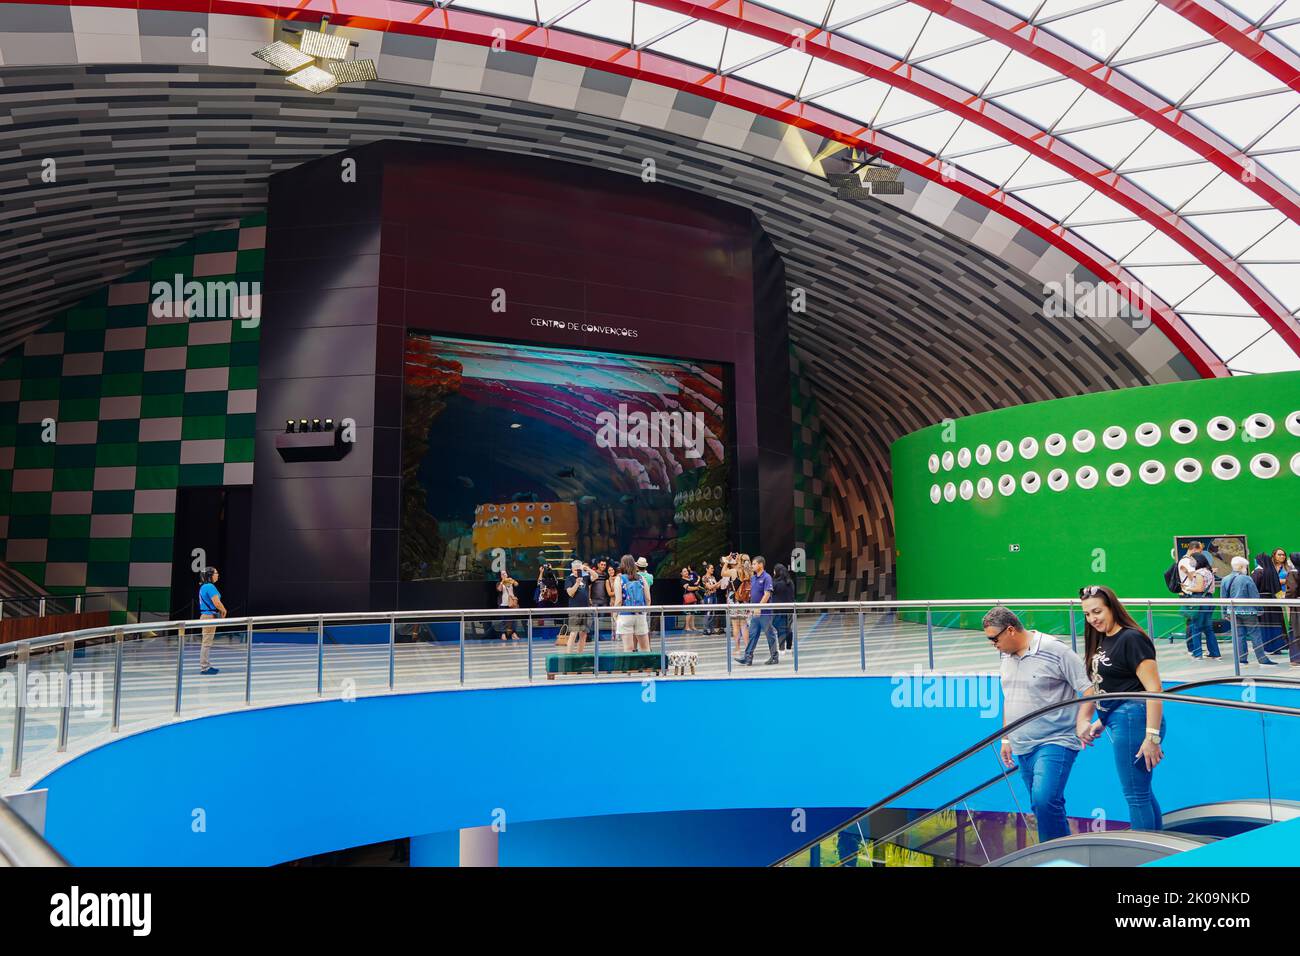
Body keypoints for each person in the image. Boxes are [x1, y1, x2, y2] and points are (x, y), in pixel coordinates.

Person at [983, 606, 1091, 843]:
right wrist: (1006, 737)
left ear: (1010, 630)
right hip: (1022, 744)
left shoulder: (1055, 650)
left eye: (994, 638)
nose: (993, 644)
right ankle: (1060, 853)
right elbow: (1010, 698)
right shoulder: (1005, 656)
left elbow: (1088, 688)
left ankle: (1055, 857)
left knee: (1044, 799)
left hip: (1056, 739)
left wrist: (1083, 722)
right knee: (1042, 804)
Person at [1076, 585, 1166, 831]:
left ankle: (1147, 853)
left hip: (1135, 720)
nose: (1093, 619)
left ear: (1112, 608)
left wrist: (1152, 736)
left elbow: (1153, 689)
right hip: (1121, 719)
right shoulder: (1104, 638)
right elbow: (1114, 685)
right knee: (1142, 792)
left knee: (1136, 795)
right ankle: (1155, 848)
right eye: (1087, 614)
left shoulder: (1131, 638)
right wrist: (1101, 721)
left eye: (1097, 611)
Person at [1221, 556, 1277, 666]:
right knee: (1255, 635)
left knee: (1239, 636)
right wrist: (1259, 610)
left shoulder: (1225, 579)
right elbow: (1254, 596)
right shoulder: (1247, 578)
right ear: (1241, 566)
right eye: (1246, 566)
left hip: (1232, 611)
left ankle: (1242, 659)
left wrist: (1224, 612)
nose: (1246, 568)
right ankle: (1262, 659)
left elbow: (1223, 598)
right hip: (1248, 611)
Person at [1178, 542, 1219, 659]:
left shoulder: (1200, 573)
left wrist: (1187, 587)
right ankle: (1215, 653)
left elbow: (1199, 588)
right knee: (1208, 628)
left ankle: (1197, 653)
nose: (1191, 562)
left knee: (1196, 628)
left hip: (1200, 600)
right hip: (1209, 600)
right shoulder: (1209, 572)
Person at [736, 555, 777, 666]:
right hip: (755, 612)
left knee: (769, 634)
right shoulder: (753, 578)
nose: (752, 566)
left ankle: (774, 656)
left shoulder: (767, 577)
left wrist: (759, 607)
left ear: (760, 565)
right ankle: (748, 657)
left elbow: (767, 594)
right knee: (753, 634)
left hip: (765, 613)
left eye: (754, 564)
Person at [1254, 549, 1290, 655]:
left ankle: (1268, 647)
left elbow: (1254, 588)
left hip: (1262, 603)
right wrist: (1280, 600)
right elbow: (1277, 588)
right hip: (1274, 602)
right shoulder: (1272, 571)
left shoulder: (1258, 572)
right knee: (1277, 623)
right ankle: (1278, 645)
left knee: (1265, 625)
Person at [613, 554, 652, 652]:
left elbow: (618, 600)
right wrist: (645, 611)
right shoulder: (641, 578)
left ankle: (631, 667)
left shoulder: (619, 579)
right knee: (645, 648)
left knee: (628, 649)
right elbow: (648, 598)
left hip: (625, 615)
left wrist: (615, 614)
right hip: (640, 614)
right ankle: (646, 667)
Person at [197, 566, 226, 675]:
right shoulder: (210, 586)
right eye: (216, 573)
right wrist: (224, 610)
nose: (217, 575)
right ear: (210, 575)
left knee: (207, 642)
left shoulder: (204, 586)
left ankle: (206, 665)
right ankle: (204, 667)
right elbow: (216, 602)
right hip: (209, 617)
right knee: (206, 642)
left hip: (207, 616)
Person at [563, 560, 593, 654]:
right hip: (575, 609)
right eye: (575, 570)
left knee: (583, 634)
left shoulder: (585, 577)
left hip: (586, 609)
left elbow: (595, 576)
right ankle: (568, 655)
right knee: (573, 633)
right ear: (572, 569)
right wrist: (576, 583)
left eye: (579, 570)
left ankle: (580, 654)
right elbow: (570, 593)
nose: (577, 572)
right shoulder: (569, 579)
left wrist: (588, 569)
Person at [770, 563, 796, 652]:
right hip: (790, 609)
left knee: (780, 628)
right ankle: (789, 647)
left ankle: (782, 649)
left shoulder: (776, 584)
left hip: (778, 609)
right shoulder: (790, 582)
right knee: (788, 628)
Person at [588, 558, 610, 640]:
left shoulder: (606, 575)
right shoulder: (594, 574)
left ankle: (598, 635)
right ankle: (590, 635)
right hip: (594, 600)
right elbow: (589, 587)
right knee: (593, 619)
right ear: (598, 565)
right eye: (602, 564)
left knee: (601, 620)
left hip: (604, 601)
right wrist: (589, 598)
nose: (603, 566)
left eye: (604, 565)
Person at [496, 570, 520, 641]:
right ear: (500, 576)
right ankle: (503, 634)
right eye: (502, 574)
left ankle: (514, 633)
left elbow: (517, 584)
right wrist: (502, 581)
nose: (504, 575)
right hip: (503, 604)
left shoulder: (510, 581)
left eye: (505, 573)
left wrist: (512, 580)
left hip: (512, 604)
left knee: (514, 619)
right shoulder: (499, 583)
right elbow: (499, 589)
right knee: (503, 620)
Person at [1287, 552, 1300, 667]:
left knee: (1295, 631)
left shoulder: (1293, 573)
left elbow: (1292, 590)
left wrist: (1287, 600)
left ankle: (1296, 658)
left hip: (1297, 606)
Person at [681, 565, 702, 633]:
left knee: (693, 612)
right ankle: (687, 627)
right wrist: (696, 588)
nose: (686, 572)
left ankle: (692, 626)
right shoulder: (682, 580)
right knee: (688, 612)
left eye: (686, 571)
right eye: (684, 571)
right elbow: (688, 588)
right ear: (681, 573)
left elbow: (695, 584)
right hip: (688, 597)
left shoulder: (690, 579)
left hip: (693, 597)